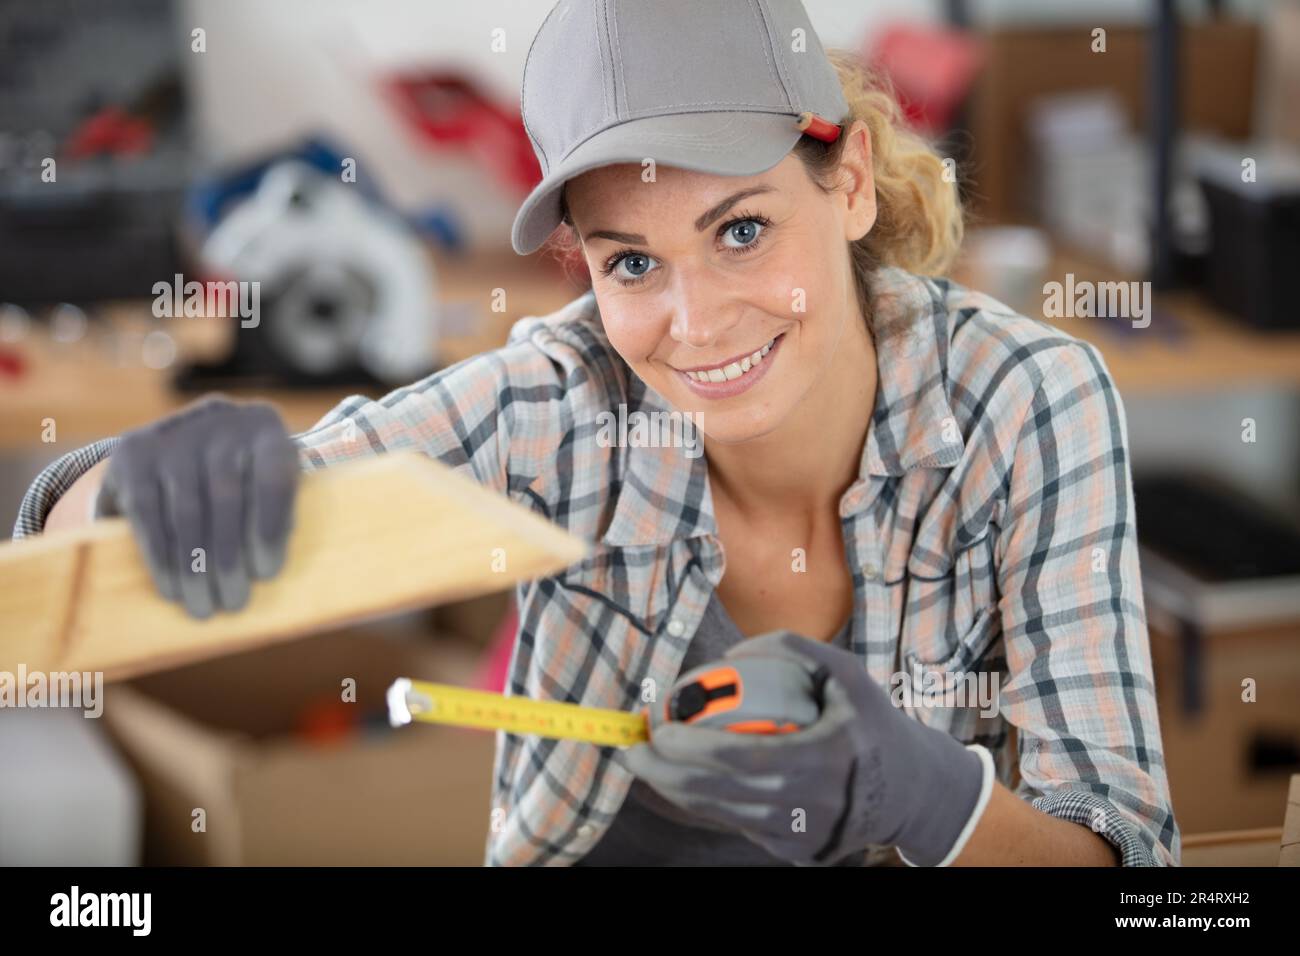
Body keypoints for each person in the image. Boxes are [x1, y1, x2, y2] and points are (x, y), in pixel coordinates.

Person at [14, 0, 1179, 867]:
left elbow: (1139, 870)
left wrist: (923, 795)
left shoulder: (1029, 402)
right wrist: (126, 491)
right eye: (631, 259)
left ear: (852, 182)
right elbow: (113, 548)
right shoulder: (565, 403)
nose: (694, 322)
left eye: (740, 231)